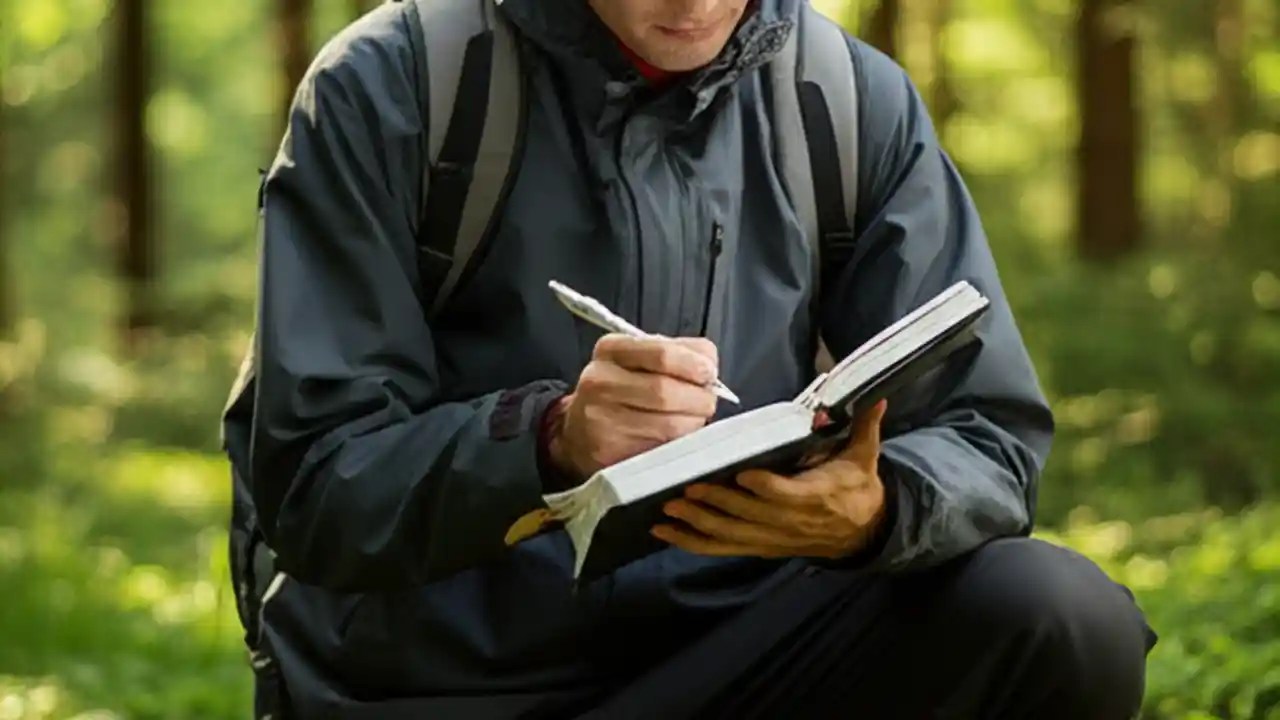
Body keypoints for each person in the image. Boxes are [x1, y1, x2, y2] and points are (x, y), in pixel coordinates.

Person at [222, 0, 1157, 717]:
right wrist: (548, 441)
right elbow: (312, 483)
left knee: (1060, 619)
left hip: (743, 646)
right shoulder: (392, 84)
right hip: (434, 681)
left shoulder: (845, 99)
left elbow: (987, 434)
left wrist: (878, 513)